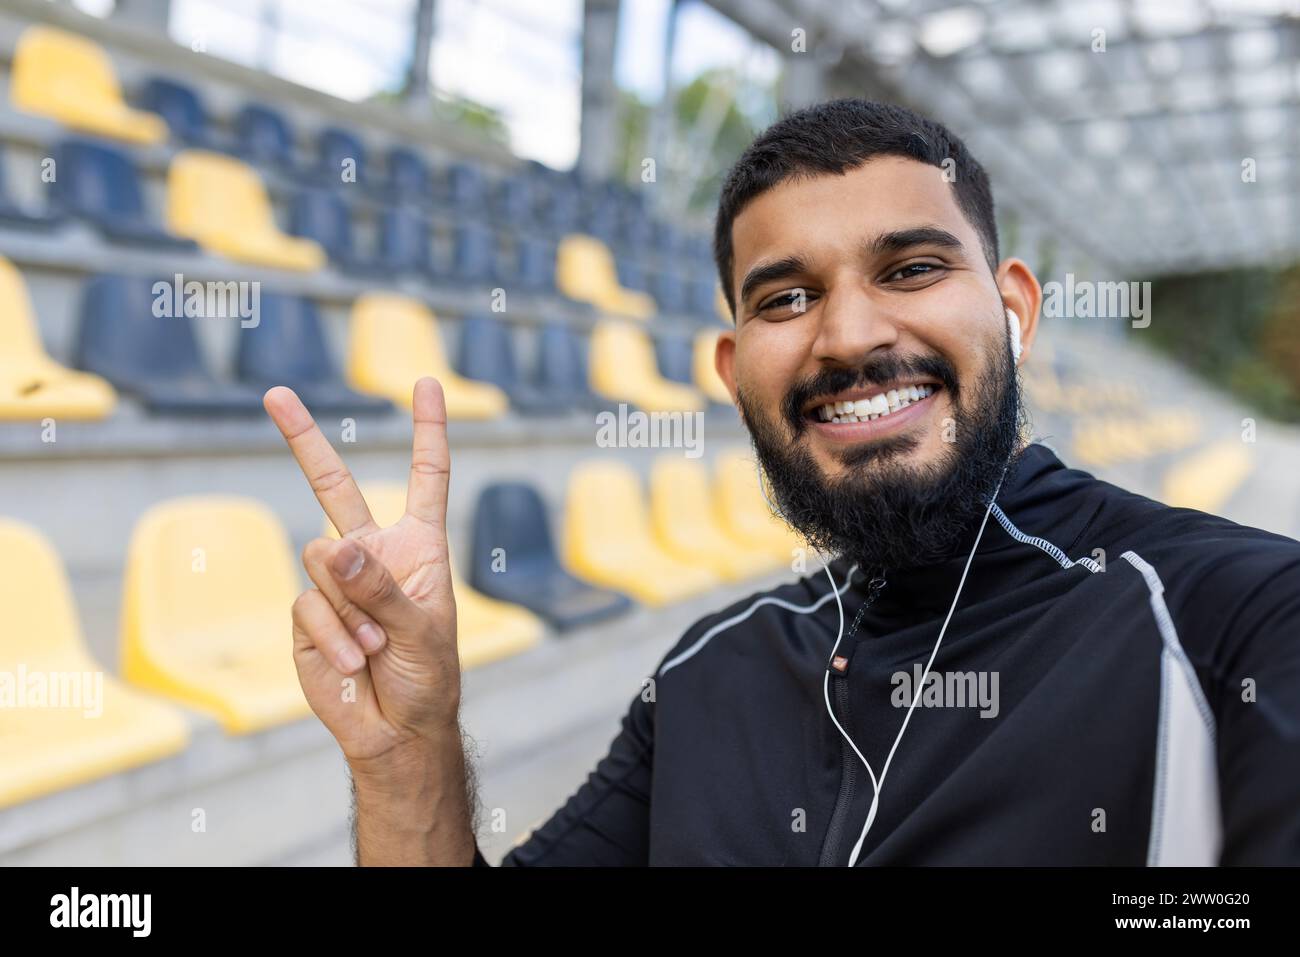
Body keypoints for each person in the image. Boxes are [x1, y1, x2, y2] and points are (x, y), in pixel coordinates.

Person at [263, 99, 1300, 866]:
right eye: (787, 296)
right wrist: (407, 754)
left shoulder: (1239, 618)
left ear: (1015, 311)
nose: (848, 336)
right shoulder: (708, 678)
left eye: (911, 269)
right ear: (732, 370)